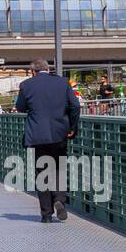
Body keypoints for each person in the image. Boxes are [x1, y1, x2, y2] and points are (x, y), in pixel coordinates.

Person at [15, 58, 81, 223]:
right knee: (58, 168)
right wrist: (72, 127)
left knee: (42, 173)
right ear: (48, 69)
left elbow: (20, 107)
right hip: (60, 133)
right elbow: (75, 106)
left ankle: (46, 214)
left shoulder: (26, 85)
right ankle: (59, 199)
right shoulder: (63, 82)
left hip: (37, 135)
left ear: (33, 71)